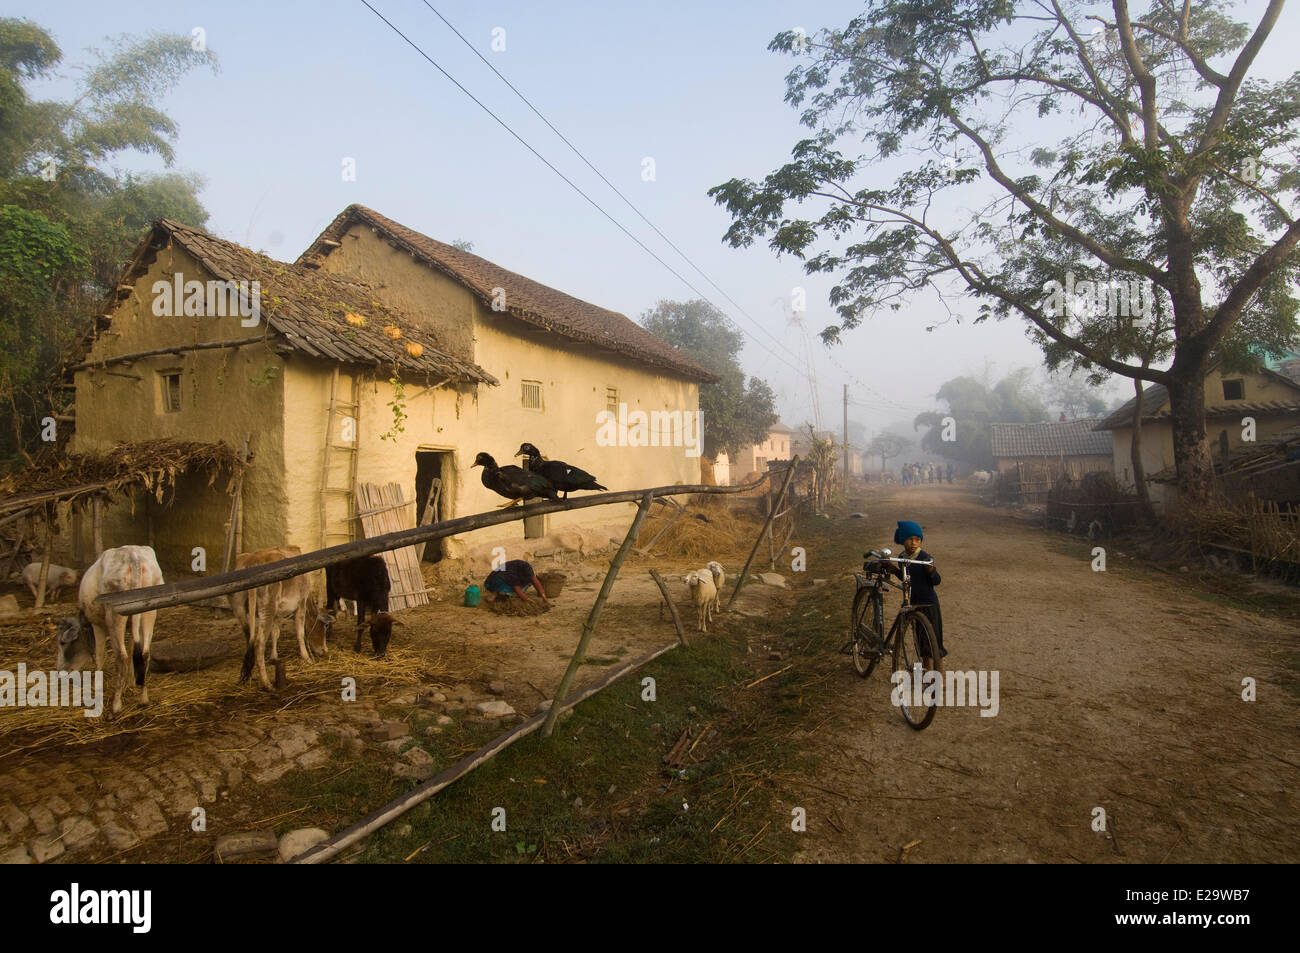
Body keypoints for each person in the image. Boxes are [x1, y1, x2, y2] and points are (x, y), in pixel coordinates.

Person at [889, 520, 946, 659]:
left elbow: (937, 581)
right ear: (903, 540)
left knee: (935, 644)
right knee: (922, 643)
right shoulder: (902, 558)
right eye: (910, 539)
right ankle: (927, 672)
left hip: (929, 604)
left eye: (917, 539)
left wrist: (931, 571)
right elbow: (906, 578)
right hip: (914, 604)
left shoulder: (925, 558)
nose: (914, 543)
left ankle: (938, 675)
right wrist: (894, 570)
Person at [483, 559, 549, 603]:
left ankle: (503, 593)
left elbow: (535, 581)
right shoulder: (513, 573)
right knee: (510, 590)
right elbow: (518, 590)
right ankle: (496, 593)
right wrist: (528, 600)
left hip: (507, 576)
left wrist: (543, 596)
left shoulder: (527, 567)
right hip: (494, 580)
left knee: (529, 581)